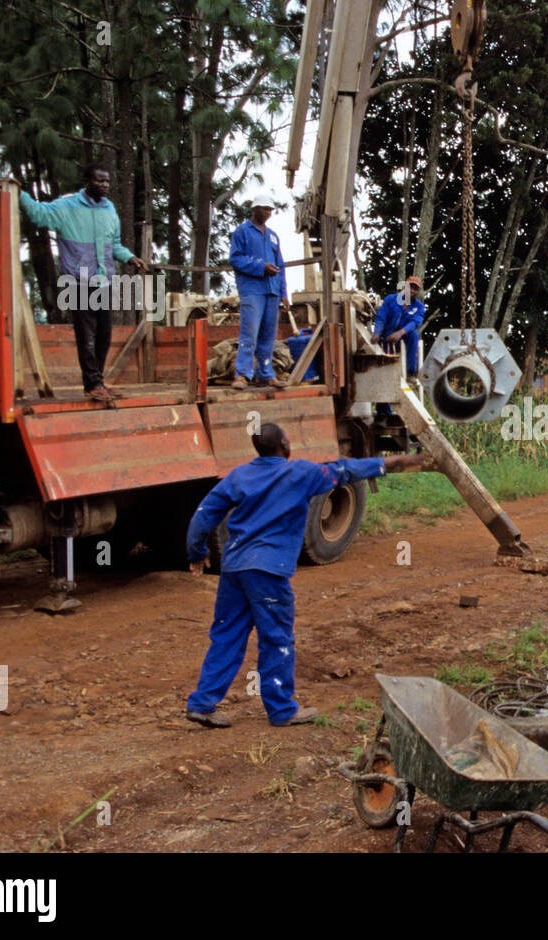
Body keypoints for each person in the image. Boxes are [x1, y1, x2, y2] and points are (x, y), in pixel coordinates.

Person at [184, 423, 429, 727]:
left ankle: (202, 703)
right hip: (269, 571)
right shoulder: (301, 473)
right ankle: (282, 710)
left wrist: (196, 552)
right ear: (284, 445)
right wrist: (397, 462)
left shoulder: (239, 475)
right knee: (276, 639)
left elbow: (203, 514)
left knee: (226, 635)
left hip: (234, 568)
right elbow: (347, 470)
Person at [19, 163, 148, 401]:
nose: (105, 185)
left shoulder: (109, 210)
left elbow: (115, 244)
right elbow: (38, 214)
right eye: (99, 181)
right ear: (86, 181)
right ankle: (91, 384)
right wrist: (19, 193)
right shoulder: (66, 206)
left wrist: (131, 257)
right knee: (86, 335)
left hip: (104, 282)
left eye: (107, 181)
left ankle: (97, 381)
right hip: (77, 281)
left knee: (103, 335)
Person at [228, 194, 290, 391]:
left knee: (267, 336)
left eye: (270, 210)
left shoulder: (272, 235)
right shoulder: (242, 232)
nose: (268, 213)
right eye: (265, 209)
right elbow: (235, 259)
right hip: (252, 290)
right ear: (254, 209)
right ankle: (242, 374)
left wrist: (284, 293)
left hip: (271, 290)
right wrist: (260, 267)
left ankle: (266, 373)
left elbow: (280, 265)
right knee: (250, 333)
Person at [371, 277, 426, 418]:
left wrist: (400, 333)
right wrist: (377, 332)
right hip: (387, 338)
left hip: (403, 336)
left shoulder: (419, 307)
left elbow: (415, 322)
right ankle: (384, 412)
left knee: (413, 335)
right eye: (410, 287)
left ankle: (411, 372)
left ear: (418, 291)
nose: (412, 291)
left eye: (415, 289)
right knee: (385, 374)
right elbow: (381, 317)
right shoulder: (391, 300)